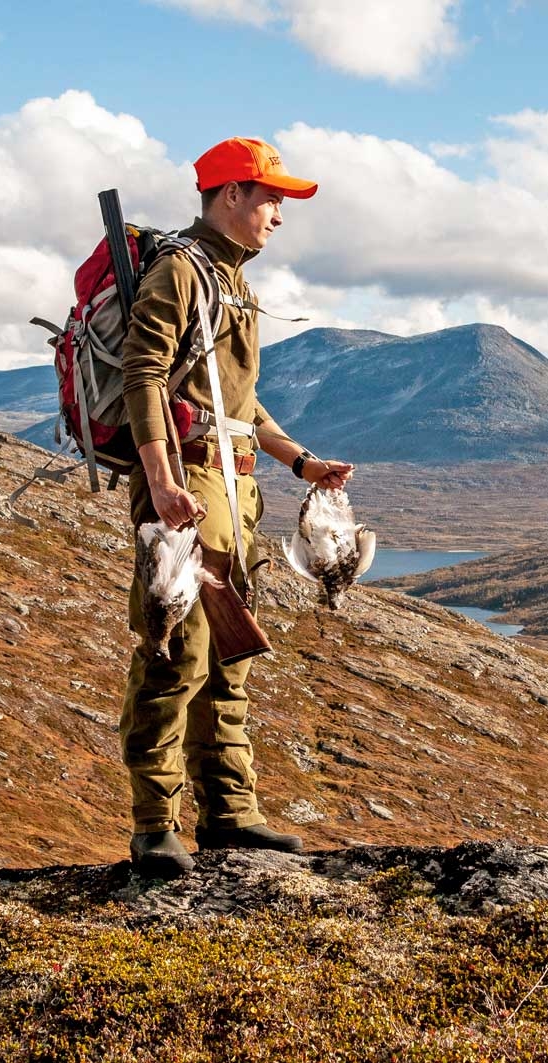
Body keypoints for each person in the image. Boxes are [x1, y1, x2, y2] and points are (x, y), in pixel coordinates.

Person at [118, 136, 352, 874]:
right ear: (231, 196)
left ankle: (230, 814)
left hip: (236, 483)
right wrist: (159, 481)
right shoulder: (180, 272)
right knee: (178, 647)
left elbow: (240, 403)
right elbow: (143, 371)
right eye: (271, 197)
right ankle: (156, 824)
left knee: (231, 647)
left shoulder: (230, 279)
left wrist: (301, 461)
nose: (279, 214)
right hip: (189, 482)